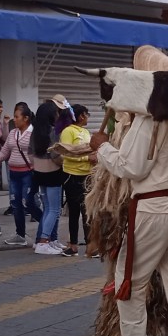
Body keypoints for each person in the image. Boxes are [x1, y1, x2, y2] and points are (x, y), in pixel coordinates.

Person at [83, 46, 168, 336]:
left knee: (128, 281)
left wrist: (102, 147)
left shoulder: (150, 120)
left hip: (154, 208)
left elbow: (130, 167)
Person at [0, 103, 37, 245]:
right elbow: (5, 152)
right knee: (16, 205)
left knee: (29, 202)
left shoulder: (33, 133)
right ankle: (20, 235)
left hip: (28, 174)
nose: (14, 120)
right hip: (14, 174)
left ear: (26, 118)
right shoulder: (12, 133)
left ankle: (46, 230)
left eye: (17, 117)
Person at [31, 101, 66, 255]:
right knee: (54, 209)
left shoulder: (35, 132)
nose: (58, 115)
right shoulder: (54, 132)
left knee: (47, 208)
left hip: (39, 173)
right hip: (53, 173)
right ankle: (44, 241)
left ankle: (49, 240)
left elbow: (29, 152)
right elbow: (56, 154)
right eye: (56, 112)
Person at [59, 104, 94, 257]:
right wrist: (87, 157)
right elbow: (65, 154)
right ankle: (73, 245)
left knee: (88, 212)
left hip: (87, 177)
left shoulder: (86, 132)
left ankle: (91, 246)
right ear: (81, 116)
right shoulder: (68, 131)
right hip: (72, 177)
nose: (88, 117)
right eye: (87, 114)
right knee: (74, 212)